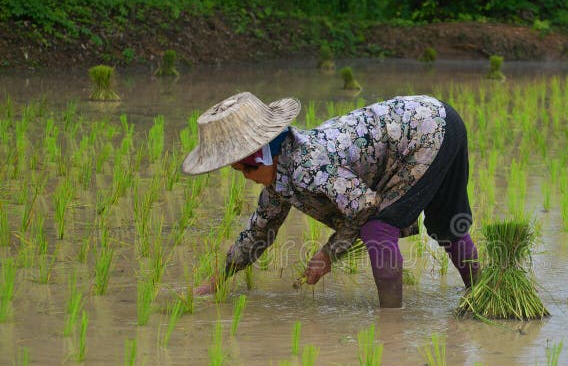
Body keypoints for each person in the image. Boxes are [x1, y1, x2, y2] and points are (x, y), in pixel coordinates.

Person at [184, 92, 479, 308]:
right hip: (439, 117)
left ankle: (392, 324)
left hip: (425, 132)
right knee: (447, 225)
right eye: (238, 170)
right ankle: (484, 293)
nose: (246, 176)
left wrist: (328, 253)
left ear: (266, 154)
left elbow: (365, 206)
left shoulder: (309, 165)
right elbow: (260, 231)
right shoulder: (280, 175)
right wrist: (219, 279)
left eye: (248, 167)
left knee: (378, 229)